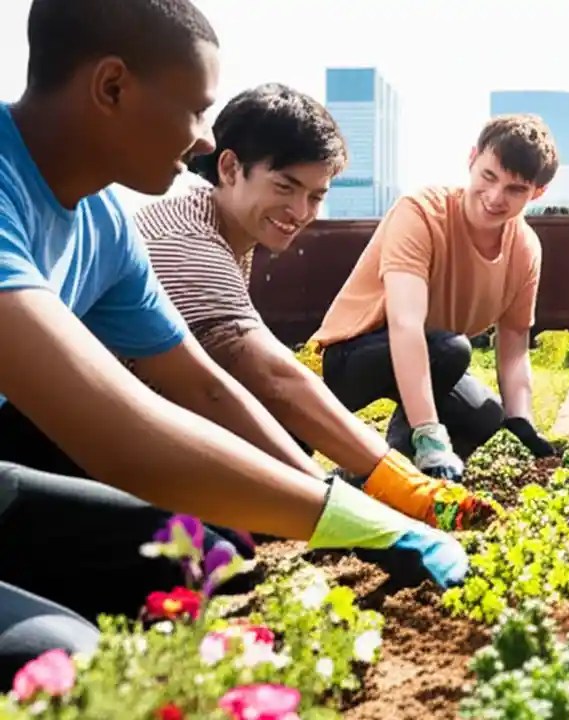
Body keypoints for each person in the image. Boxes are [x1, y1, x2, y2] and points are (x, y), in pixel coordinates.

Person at [0, 0, 466, 685]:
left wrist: (343, 503)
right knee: (62, 667)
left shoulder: (104, 224)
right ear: (111, 87)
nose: (198, 141)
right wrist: (353, 515)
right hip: (48, 446)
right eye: (195, 111)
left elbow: (205, 386)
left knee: (207, 557)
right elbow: (121, 430)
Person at [132, 82, 496, 528]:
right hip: (95, 449)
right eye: (285, 186)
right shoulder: (186, 237)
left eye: (316, 196)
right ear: (229, 167)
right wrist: (407, 492)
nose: (299, 211)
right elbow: (269, 376)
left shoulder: (227, 230)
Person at [312, 115, 559, 478]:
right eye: (488, 176)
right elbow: (405, 322)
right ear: (472, 158)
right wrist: (429, 430)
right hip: (353, 355)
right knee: (450, 349)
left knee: (485, 416)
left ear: (537, 192)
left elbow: (514, 340)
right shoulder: (423, 211)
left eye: (515, 189)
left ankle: (380, 471)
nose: (495, 197)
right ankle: (408, 445)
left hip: (434, 358)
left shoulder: (524, 248)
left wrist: (521, 418)